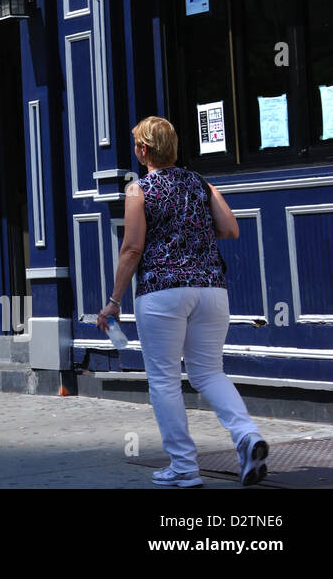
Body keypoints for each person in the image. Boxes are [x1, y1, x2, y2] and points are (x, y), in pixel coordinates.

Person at [100, 116, 268, 488]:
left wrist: (114, 301)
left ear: (144, 150)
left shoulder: (139, 190)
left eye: (136, 146)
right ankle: (247, 435)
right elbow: (230, 228)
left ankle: (184, 467)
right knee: (209, 372)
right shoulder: (200, 184)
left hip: (163, 292)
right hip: (211, 289)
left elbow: (131, 248)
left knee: (164, 380)